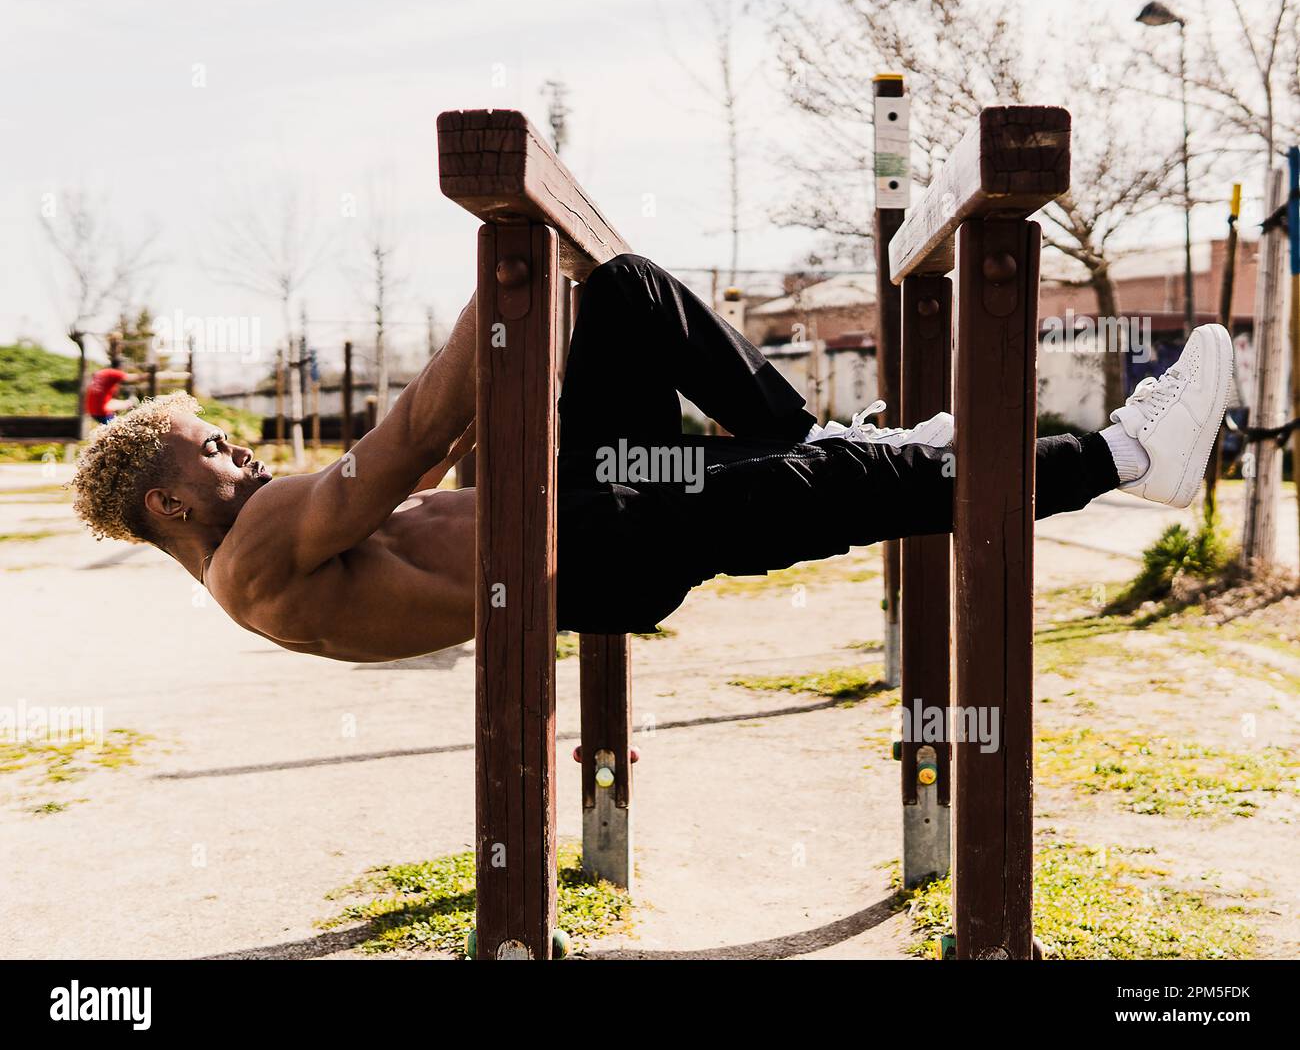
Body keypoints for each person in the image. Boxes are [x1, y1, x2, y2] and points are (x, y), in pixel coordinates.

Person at [70, 255, 1233, 662]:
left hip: (588, 502)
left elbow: (426, 476)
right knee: (830, 495)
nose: (240, 445)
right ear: (173, 501)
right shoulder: (254, 552)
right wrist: (504, 273)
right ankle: (1130, 453)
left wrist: (530, 353)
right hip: (595, 552)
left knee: (625, 297)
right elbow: (413, 437)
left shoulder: (276, 551)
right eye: (215, 448)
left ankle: (812, 431)